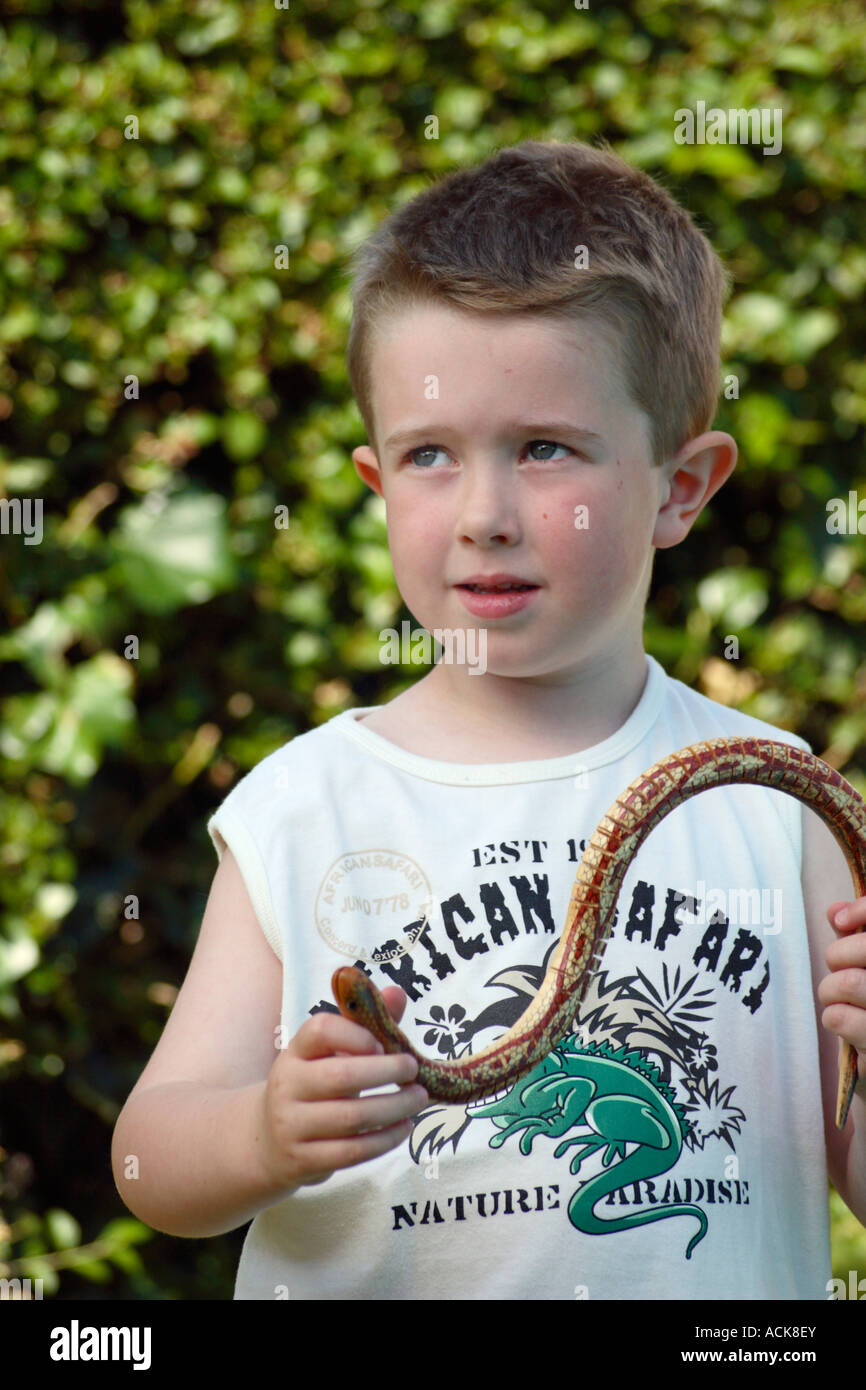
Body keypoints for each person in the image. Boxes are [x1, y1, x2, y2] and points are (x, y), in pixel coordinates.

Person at [111, 138, 866, 1299]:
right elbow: (149, 1158)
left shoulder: (772, 796)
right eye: (429, 457)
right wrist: (263, 1135)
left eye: (544, 449)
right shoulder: (305, 806)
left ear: (680, 487)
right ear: (375, 485)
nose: (483, 515)